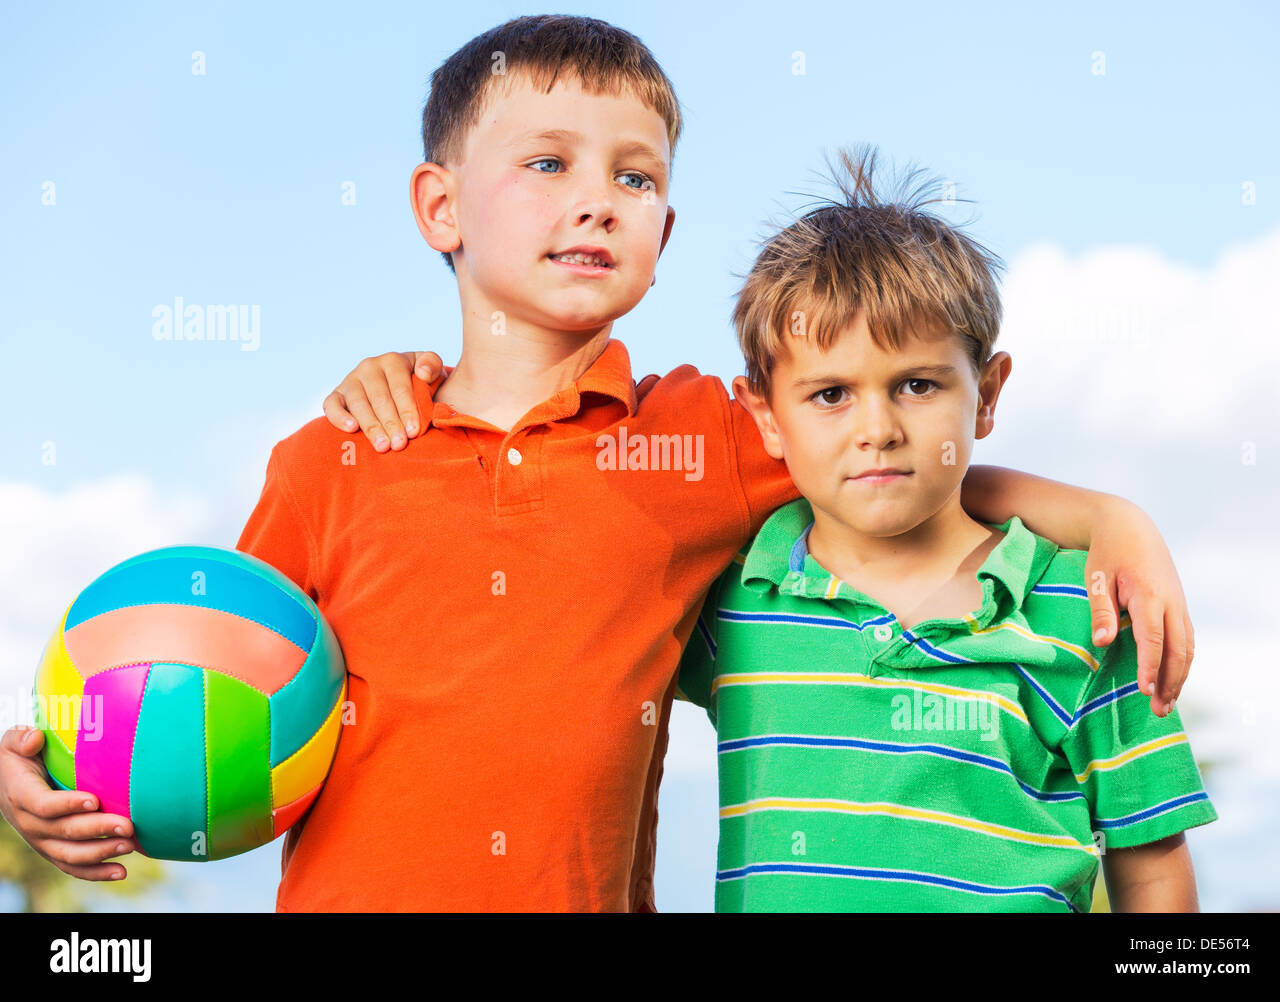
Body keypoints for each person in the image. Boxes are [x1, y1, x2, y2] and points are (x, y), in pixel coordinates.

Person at [0, 16, 1194, 911]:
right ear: (439, 207)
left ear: (663, 235)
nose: (598, 202)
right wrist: (73, 777)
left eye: (635, 177)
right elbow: (229, 707)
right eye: (548, 164)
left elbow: (885, 463)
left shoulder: (704, 440)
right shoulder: (336, 453)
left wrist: (1109, 517)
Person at [673, 145, 1215, 911]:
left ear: (987, 394)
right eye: (829, 394)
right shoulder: (729, 602)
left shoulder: (1085, 612)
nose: (878, 429)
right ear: (765, 413)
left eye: (918, 385)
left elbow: (1153, 870)